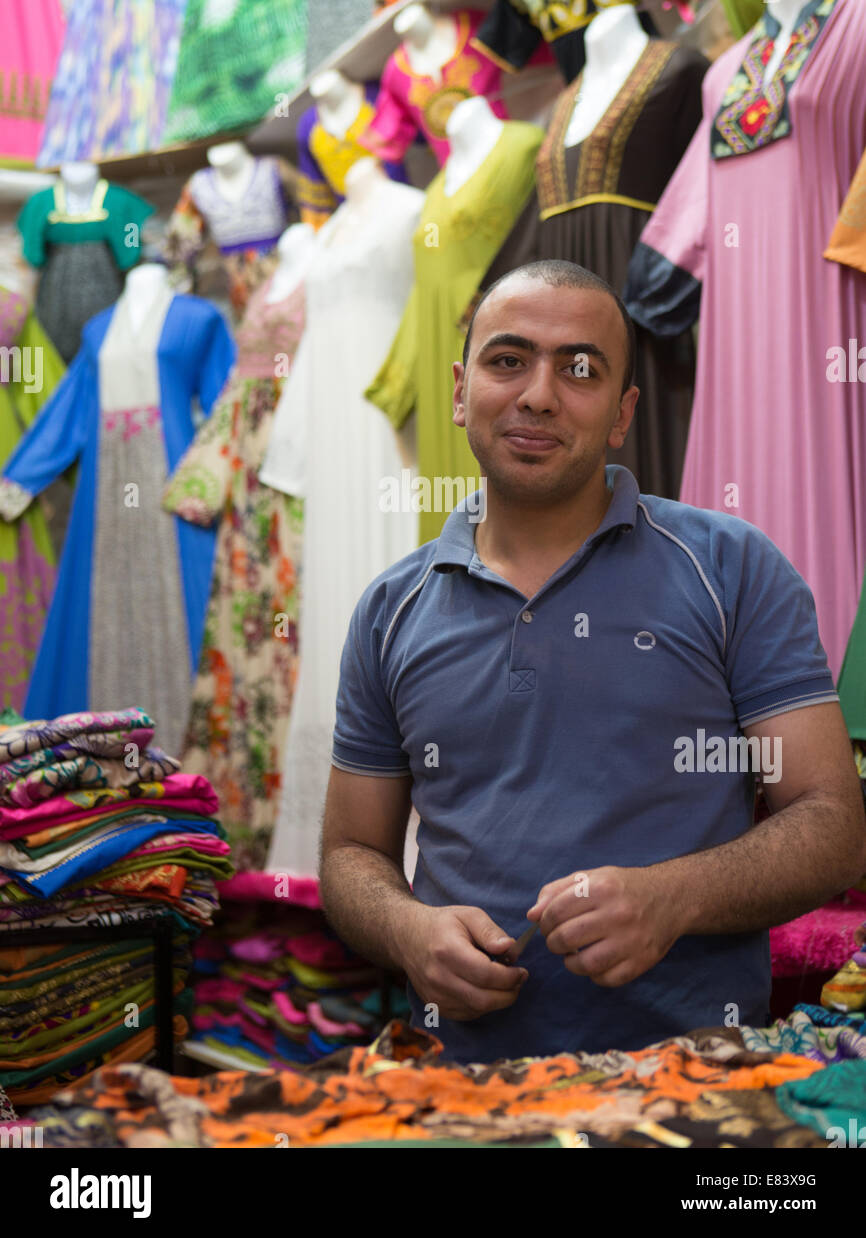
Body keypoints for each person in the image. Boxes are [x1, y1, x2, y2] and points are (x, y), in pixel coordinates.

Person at [319, 259, 866, 1064]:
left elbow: (834, 824)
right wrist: (408, 931)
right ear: (461, 389)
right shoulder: (390, 610)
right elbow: (348, 855)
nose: (538, 393)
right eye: (508, 360)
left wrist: (672, 899)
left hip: (693, 1086)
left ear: (622, 413)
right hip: (461, 1092)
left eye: (579, 369)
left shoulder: (730, 569)